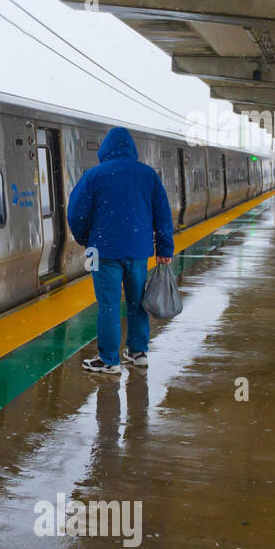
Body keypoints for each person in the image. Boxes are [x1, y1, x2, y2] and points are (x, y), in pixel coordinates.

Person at [66, 127, 174, 374]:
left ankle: (109, 359)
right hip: (138, 251)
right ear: (131, 149)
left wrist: (86, 238)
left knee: (109, 305)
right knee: (137, 301)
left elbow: (76, 212)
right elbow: (163, 213)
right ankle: (138, 352)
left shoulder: (94, 175)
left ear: (105, 150)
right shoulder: (148, 175)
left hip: (102, 252)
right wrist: (165, 246)